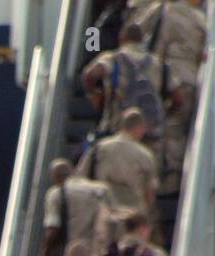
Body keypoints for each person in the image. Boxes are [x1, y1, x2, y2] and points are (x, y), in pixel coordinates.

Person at [130, 0, 207, 193]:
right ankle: (174, 180)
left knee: (152, 129)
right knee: (177, 130)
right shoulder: (199, 18)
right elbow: (203, 53)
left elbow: (137, 36)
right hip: (188, 78)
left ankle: (151, 181)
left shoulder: (160, 9)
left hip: (161, 76)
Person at [82, 21, 180, 153]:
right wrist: (162, 114)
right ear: (142, 40)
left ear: (121, 38)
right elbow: (178, 98)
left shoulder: (112, 58)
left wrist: (94, 94)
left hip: (116, 131)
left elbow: (90, 75)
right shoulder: (159, 64)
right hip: (148, 136)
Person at [77, 108, 159, 220]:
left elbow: (81, 178)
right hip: (133, 217)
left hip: (102, 213)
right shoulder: (144, 155)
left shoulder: (99, 147)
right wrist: (149, 215)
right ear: (139, 127)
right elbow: (149, 192)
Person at [38, 159, 114, 256]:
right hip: (101, 253)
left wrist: (45, 254)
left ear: (55, 178)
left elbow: (52, 229)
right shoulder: (101, 189)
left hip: (74, 255)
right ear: (73, 171)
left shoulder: (56, 194)